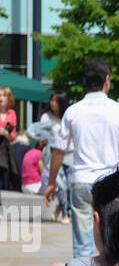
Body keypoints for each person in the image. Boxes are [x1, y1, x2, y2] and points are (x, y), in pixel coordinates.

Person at [45, 59, 119, 259]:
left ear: (84, 81)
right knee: (112, 237)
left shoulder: (73, 111)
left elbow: (58, 151)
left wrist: (52, 183)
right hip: (110, 180)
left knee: (82, 242)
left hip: (81, 179)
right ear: (107, 80)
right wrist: (115, 145)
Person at [29, 91, 72, 222]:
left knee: (71, 186)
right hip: (54, 156)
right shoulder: (46, 117)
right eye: (51, 100)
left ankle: (61, 208)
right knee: (60, 186)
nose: (52, 103)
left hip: (70, 155)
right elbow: (39, 136)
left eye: (56, 101)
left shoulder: (69, 116)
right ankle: (65, 214)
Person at [0, 86, 19, 191]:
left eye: (4, 96)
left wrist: (5, 133)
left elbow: (13, 137)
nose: (1, 98)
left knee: (6, 180)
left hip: (6, 151)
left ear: (9, 98)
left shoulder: (12, 114)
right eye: (0, 96)